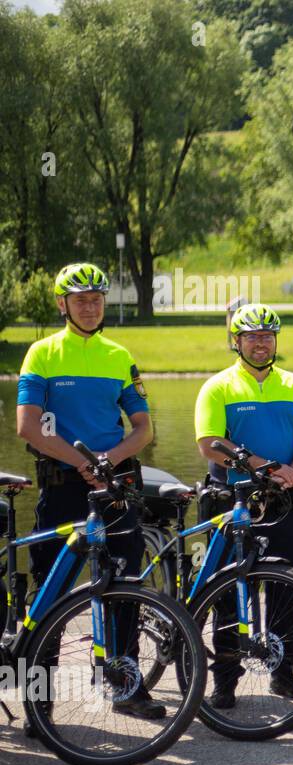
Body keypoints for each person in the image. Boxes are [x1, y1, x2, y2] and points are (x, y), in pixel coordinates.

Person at [16, 262, 158, 719]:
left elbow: (143, 428)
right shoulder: (42, 354)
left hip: (114, 487)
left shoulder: (118, 355)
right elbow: (28, 427)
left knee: (123, 586)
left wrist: (108, 462)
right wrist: (82, 464)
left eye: (97, 299)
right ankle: (41, 702)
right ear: (62, 305)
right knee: (51, 592)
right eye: (81, 300)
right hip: (62, 489)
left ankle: (126, 687)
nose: (91, 307)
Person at [194, 304, 293, 708]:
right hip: (234, 503)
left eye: (267, 337)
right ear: (236, 342)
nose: (260, 344)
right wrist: (265, 468)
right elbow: (209, 444)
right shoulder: (217, 387)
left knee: (288, 590)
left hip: (285, 501)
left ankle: (283, 675)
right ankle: (225, 683)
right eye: (251, 337)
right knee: (231, 594)